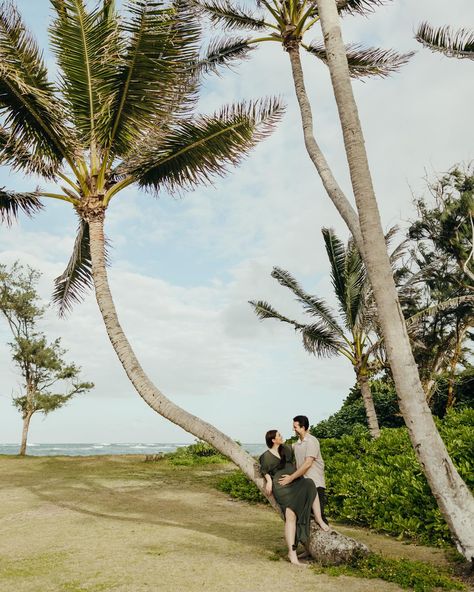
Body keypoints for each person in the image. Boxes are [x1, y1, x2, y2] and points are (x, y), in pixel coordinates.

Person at [259, 429, 329, 566]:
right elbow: (264, 471)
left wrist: (305, 435)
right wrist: (268, 481)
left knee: (310, 483)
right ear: (273, 440)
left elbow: (301, 445)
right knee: (290, 516)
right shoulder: (265, 456)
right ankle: (292, 554)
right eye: (279, 435)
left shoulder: (287, 449)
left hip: (295, 481)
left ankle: (320, 519)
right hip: (281, 486)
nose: (281, 436)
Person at [278, 415, 328, 526]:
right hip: (303, 484)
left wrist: (291, 478)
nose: (293, 429)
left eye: (295, 427)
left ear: (303, 427)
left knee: (320, 517)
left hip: (316, 484)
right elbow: (295, 462)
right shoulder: (297, 444)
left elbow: (307, 464)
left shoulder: (311, 441)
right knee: (306, 517)